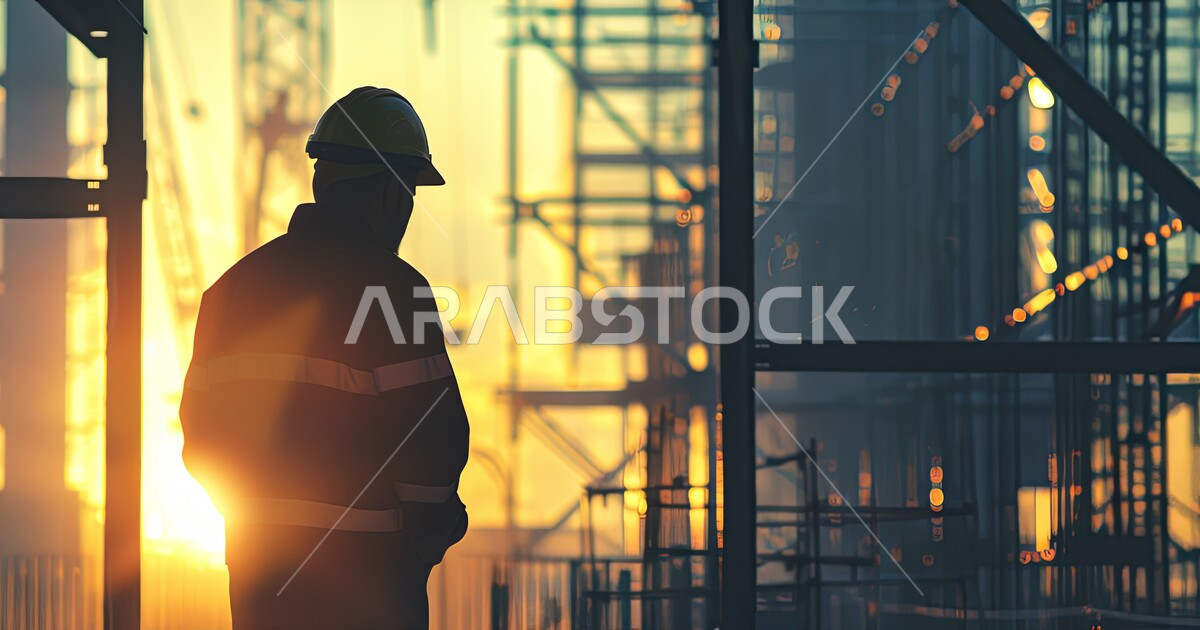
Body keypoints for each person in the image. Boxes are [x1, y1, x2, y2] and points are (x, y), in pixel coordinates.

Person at [180, 86, 469, 629]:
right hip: (372, 582)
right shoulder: (394, 291)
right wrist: (423, 535)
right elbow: (433, 444)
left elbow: (201, 442)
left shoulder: (230, 292)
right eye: (409, 190)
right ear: (389, 191)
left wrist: (261, 520)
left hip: (261, 582)